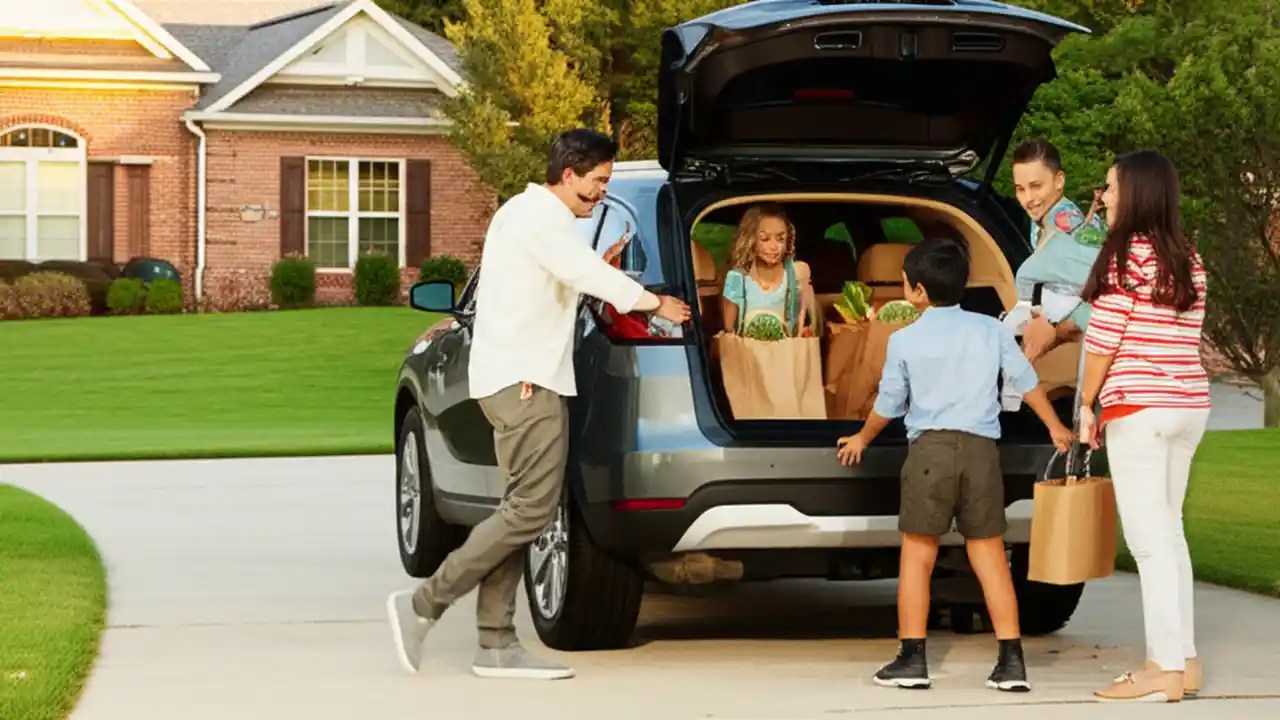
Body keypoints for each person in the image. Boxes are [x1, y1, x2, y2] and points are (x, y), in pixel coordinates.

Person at [386, 129, 691, 680]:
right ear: (569, 174)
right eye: (598, 181)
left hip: (517, 380)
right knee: (530, 510)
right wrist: (654, 303)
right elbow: (581, 273)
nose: (601, 192)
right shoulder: (539, 220)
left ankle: (496, 643)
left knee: (518, 510)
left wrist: (602, 265)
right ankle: (424, 604)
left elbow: (564, 277)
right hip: (526, 384)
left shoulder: (530, 217)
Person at [835, 237, 1073, 692]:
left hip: (931, 452)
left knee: (918, 556)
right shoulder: (991, 331)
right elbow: (1025, 381)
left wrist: (862, 437)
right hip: (982, 452)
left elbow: (889, 402)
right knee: (990, 556)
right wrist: (1055, 428)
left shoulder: (904, 339)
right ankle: (1011, 662)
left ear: (918, 291)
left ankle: (912, 659)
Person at [1077, 151, 1210, 703]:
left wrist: (1086, 404)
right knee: (1170, 533)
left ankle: (1162, 669)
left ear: (1134, 193)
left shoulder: (1122, 256)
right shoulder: (1187, 256)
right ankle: (1186, 660)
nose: (1104, 197)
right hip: (1188, 405)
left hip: (1140, 407)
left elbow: (1103, 340)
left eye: (1110, 187)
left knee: (1149, 543)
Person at [1007, 139, 1106, 364]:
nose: (1028, 198)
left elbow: (1091, 297)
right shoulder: (1045, 218)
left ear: (1059, 180)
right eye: (1020, 189)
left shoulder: (1065, 223)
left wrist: (1050, 334)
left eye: (1036, 186)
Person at [720, 203, 814, 339]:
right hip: (747, 351)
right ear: (751, 240)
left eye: (780, 239)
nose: (774, 247)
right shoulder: (736, 279)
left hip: (787, 351)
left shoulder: (796, 274)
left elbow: (800, 326)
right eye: (765, 239)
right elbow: (730, 333)